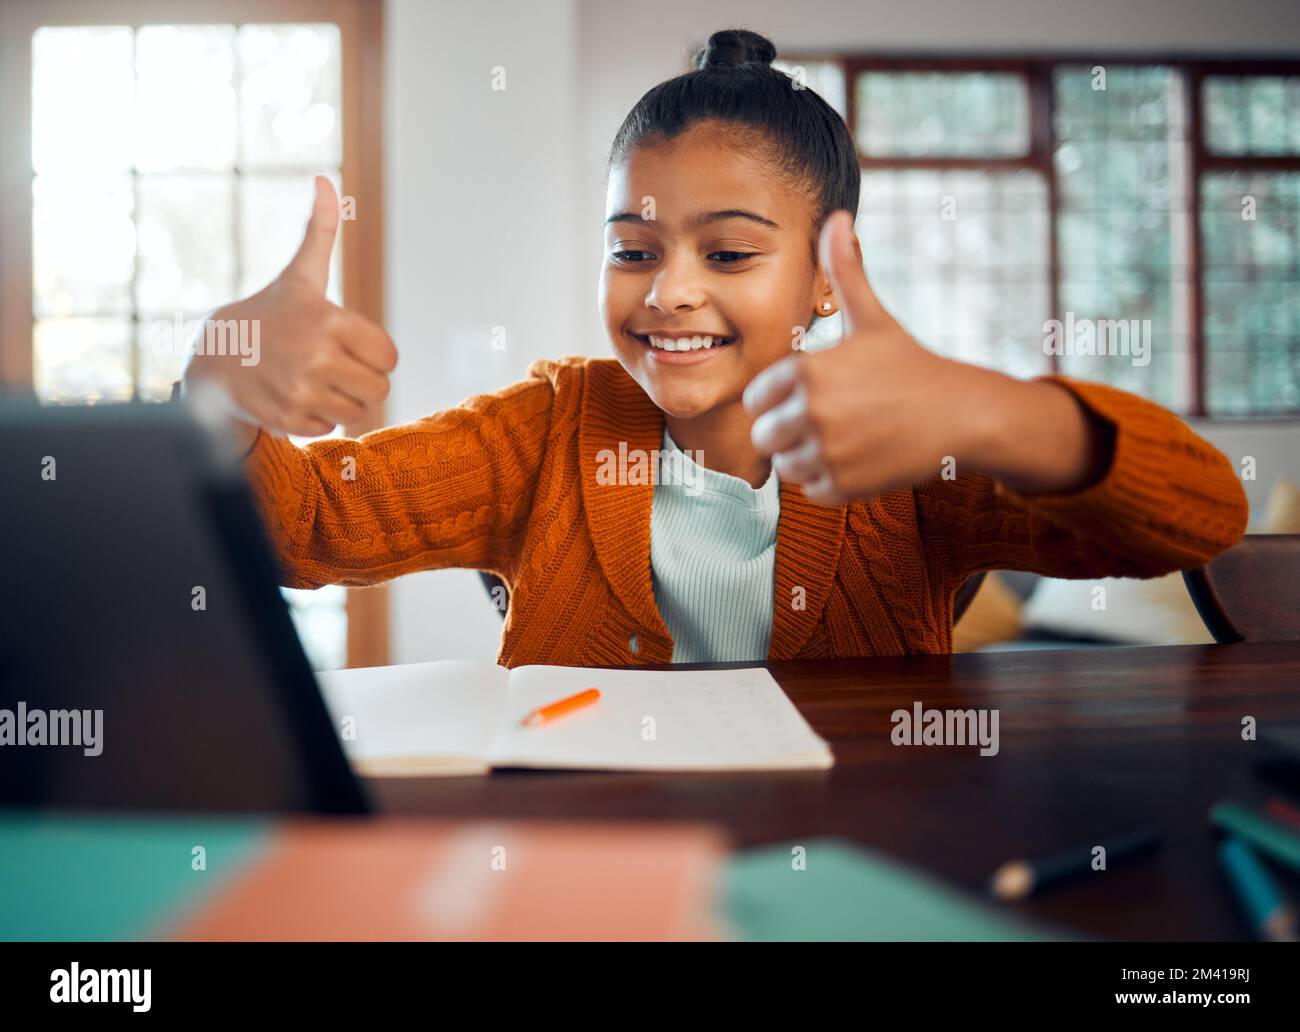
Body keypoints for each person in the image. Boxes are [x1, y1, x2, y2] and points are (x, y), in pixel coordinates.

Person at [182, 28, 1248, 668]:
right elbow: (306, 528)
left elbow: (1199, 516)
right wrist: (218, 386)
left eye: (730, 253)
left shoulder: (912, 451)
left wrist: (992, 413)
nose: (670, 290)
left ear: (827, 278)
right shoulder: (545, 430)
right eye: (632, 249)